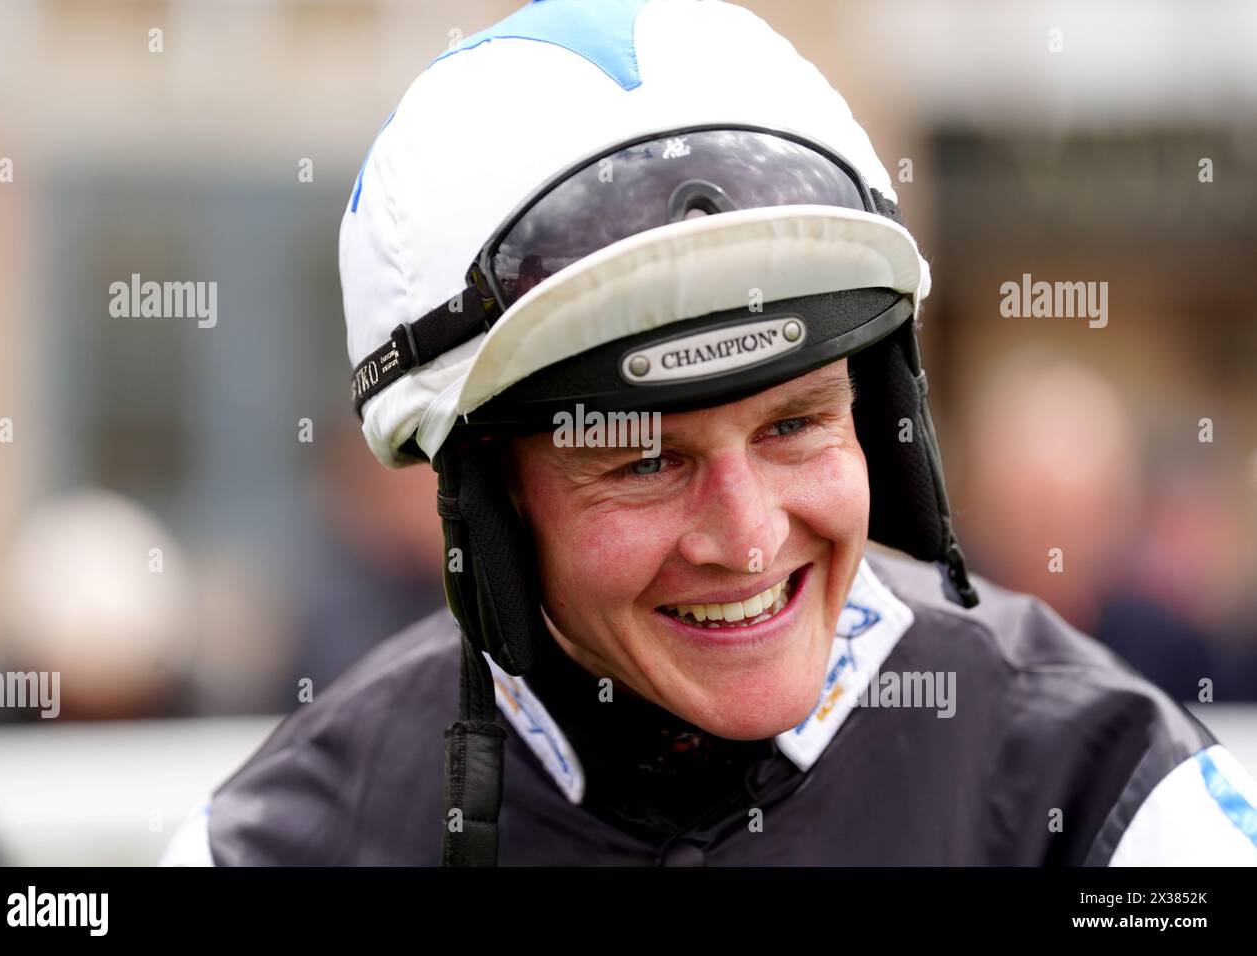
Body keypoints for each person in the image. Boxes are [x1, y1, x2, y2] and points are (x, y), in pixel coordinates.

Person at [162, 0, 1257, 866]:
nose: (744, 537)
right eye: (644, 460)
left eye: (793, 423)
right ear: (486, 506)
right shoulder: (273, 844)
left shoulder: (1105, 793)